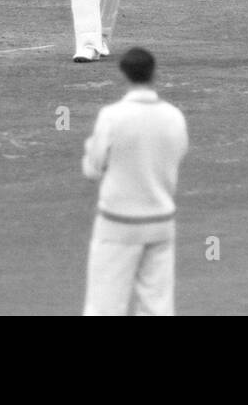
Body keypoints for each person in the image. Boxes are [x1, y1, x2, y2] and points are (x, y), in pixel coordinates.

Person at [81, 47, 188, 316]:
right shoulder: (174, 116)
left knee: (105, 304)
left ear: (123, 74)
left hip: (118, 224)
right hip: (161, 222)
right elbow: (177, 155)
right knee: (158, 306)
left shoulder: (112, 116)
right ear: (154, 73)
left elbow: (93, 169)